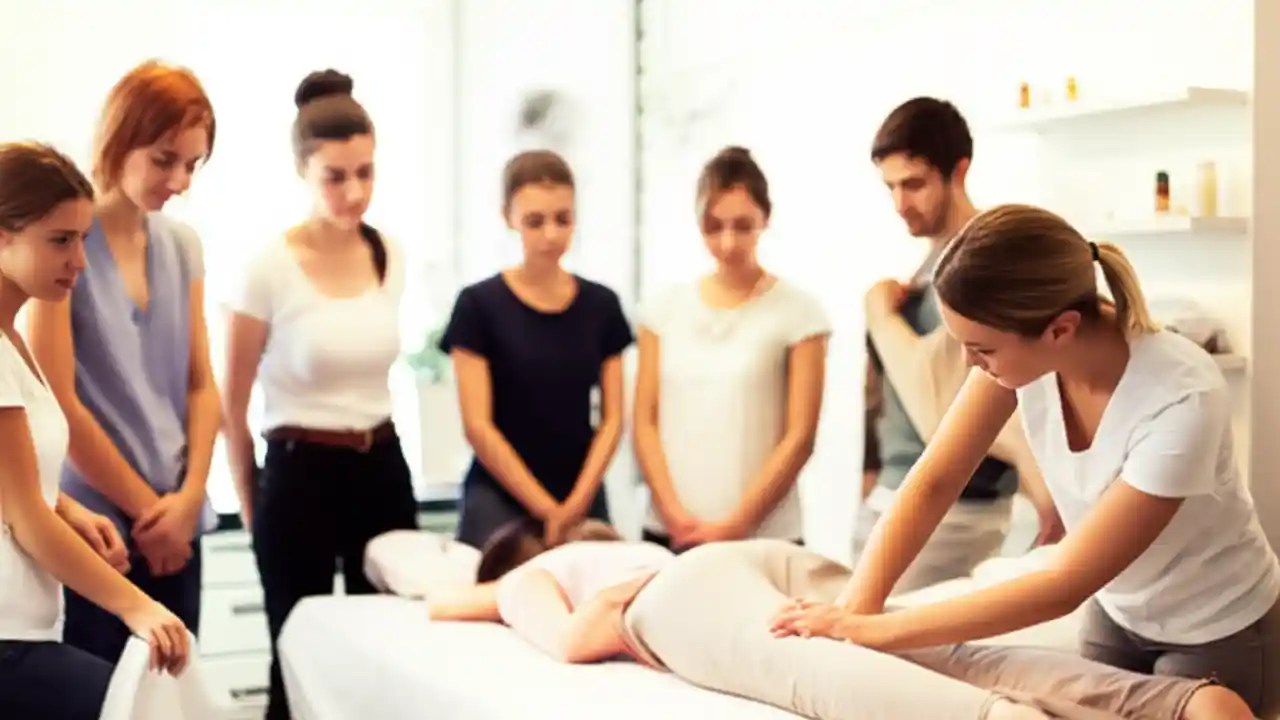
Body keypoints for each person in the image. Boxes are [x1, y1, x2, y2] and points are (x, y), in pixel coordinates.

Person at [770, 203, 1280, 718]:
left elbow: (1064, 583)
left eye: (980, 348)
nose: (969, 362)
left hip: (1217, 625)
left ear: (1059, 330)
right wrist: (853, 614)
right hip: (1116, 611)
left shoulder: (1180, 398)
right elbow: (935, 480)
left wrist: (878, 628)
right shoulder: (1018, 357)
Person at [429, 529, 1252, 719]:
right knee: (934, 646)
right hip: (748, 556)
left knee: (823, 674)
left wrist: (510, 589)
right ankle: (1179, 706)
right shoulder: (615, 543)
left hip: (676, 597)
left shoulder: (536, 574)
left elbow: (566, 638)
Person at [221, 69, 421, 720]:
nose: (355, 190)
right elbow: (231, 405)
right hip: (298, 475)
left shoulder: (388, 253)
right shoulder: (267, 268)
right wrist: (255, 508)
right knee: (297, 662)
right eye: (337, 175)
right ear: (303, 171)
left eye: (366, 172)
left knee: (392, 656)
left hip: (382, 469)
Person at [27, 59, 219, 666]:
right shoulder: (64, 246)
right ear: (119, 138)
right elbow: (59, 400)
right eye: (166, 159)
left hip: (178, 527)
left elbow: (201, 385)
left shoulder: (182, 246)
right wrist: (147, 513)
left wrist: (187, 501)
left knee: (174, 696)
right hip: (99, 533)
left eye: (193, 164)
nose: (181, 181)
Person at [0, 141, 191, 719]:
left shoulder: (12, 341)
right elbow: (23, 515)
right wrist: (137, 608)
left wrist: (69, 509)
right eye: (60, 240)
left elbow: (18, 488)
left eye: (82, 239)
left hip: (27, 628)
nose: (79, 261)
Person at [859, 98, 1061, 594]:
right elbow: (888, 397)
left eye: (914, 184)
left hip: (954, 511)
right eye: (890, 187)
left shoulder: (979, 266)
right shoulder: (928, 268)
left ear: (959, 170)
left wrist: (880, 315)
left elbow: (952, 406)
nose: (900, 203)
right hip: (898, 495)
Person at [633, 146, 829, 551]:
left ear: (765, 218)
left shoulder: (800, 312)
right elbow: (645, 422)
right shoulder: (663, 309)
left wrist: (736, 525)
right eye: (713, 226)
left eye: (743, 226)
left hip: (766, 535)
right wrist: (673, 514)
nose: (727, 242)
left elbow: (800, 436)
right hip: (668, 528)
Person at [439, 149, 634, 550]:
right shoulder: (478, 305)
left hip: (580, 489)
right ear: (508, 217)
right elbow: (478, 426)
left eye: (562, 219)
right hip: (500, 491)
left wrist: (577, 502)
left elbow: (613, 420)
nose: (550, 234)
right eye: (534, 221)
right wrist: (547, 509)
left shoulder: (602, 306)